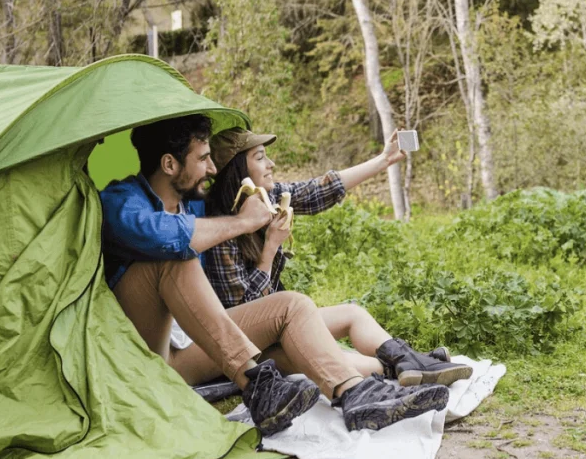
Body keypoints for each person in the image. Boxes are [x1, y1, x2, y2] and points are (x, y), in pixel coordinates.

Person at [99, 114, 449, 435]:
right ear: (169, 163)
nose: (211, 167)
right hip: (151, 354)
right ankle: (257, 384)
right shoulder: (121, 201)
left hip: (198, 346)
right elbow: (170, 237)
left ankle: (359, 393)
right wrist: (243, 224)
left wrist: (382, 161)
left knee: (292, 307)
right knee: (176, 253)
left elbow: (305, 192)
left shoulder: (197, 202)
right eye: (203, 159)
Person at [202, 127, 473, 387]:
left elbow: (320, 189)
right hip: (249, 347)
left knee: (352, 314)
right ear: (238, 171)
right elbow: (246, 314)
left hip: (281, 326)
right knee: (335, 358)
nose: (271, 163)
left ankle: (409, 360)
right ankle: (414, 364)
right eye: (260, 158)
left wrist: (384, 160)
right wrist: (271, 247)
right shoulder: (222, 230)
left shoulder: (266, 198)